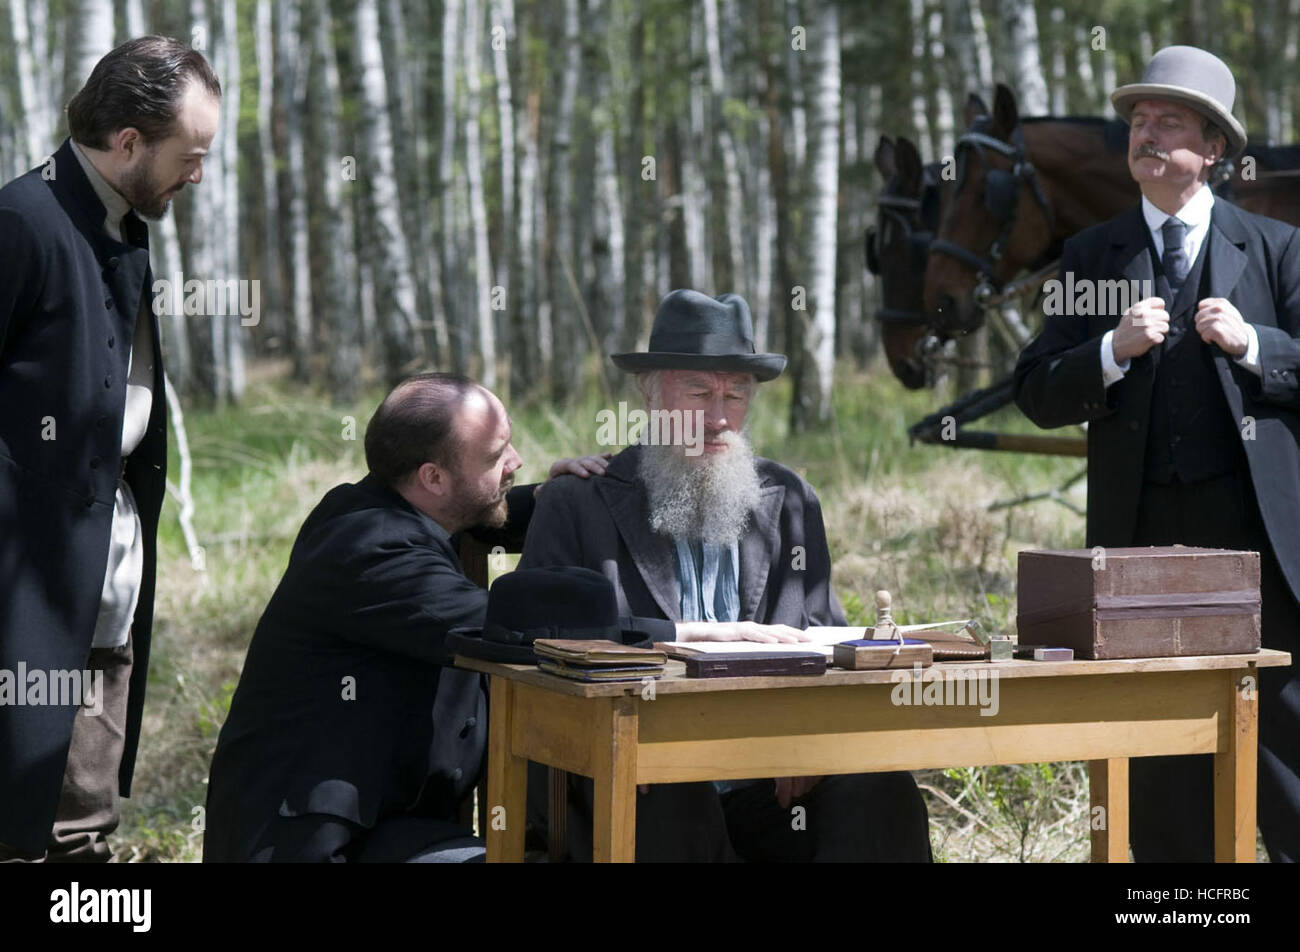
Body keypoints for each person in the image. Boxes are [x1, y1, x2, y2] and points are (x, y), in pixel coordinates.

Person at [518, 288, 934, 862]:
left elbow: (823, 636)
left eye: (735, 395)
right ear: (648, 391)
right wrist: (679, 634)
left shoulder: (787, 498)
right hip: (631, 773)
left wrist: (810, 746)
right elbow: (539, 641)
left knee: (881, 792)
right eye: (698, 392)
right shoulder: (578, 501)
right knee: (673, 786)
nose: (718, 418)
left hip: (763, 780)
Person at [1014, 45, 1300, 862]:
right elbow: (1035, 389)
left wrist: (1257, 347)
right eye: (1138, 120)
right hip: (1140, 557)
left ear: (1214, 149)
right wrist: (1108, 349)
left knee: (1288, 776)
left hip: (1267, 557)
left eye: (1168, 120)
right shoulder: (1090, 257)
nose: (1146, 133)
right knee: (1163, 778)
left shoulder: (1279, 251)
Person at [203, 373, 622, 862]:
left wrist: (559, 499)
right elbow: (505, 625)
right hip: (316, 846)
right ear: (433, 478)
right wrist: (673, 632)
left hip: (393, 828)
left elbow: (479, 519)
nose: (517, 461)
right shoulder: (372, 548)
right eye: (496, 456)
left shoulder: (376, 506)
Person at [0, 36, 222, 861]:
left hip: (105, 568)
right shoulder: (21, 223)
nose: (197, 175)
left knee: (82, 821)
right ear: (127, 142)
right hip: (24, 582)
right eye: (189, 155)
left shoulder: (124, 221)